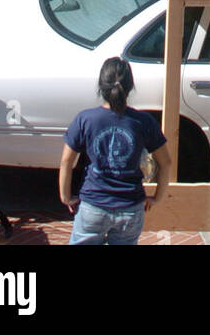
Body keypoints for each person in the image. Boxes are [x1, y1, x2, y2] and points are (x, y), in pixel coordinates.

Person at [59, 56, 172, 246]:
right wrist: (158, 197)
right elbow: (166, 162)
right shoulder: (143, 121)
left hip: (93, 205)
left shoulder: (85, 119)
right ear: (129, 87)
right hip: (131, 206)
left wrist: (65, 196)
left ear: (101, 85)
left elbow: (66, 162)